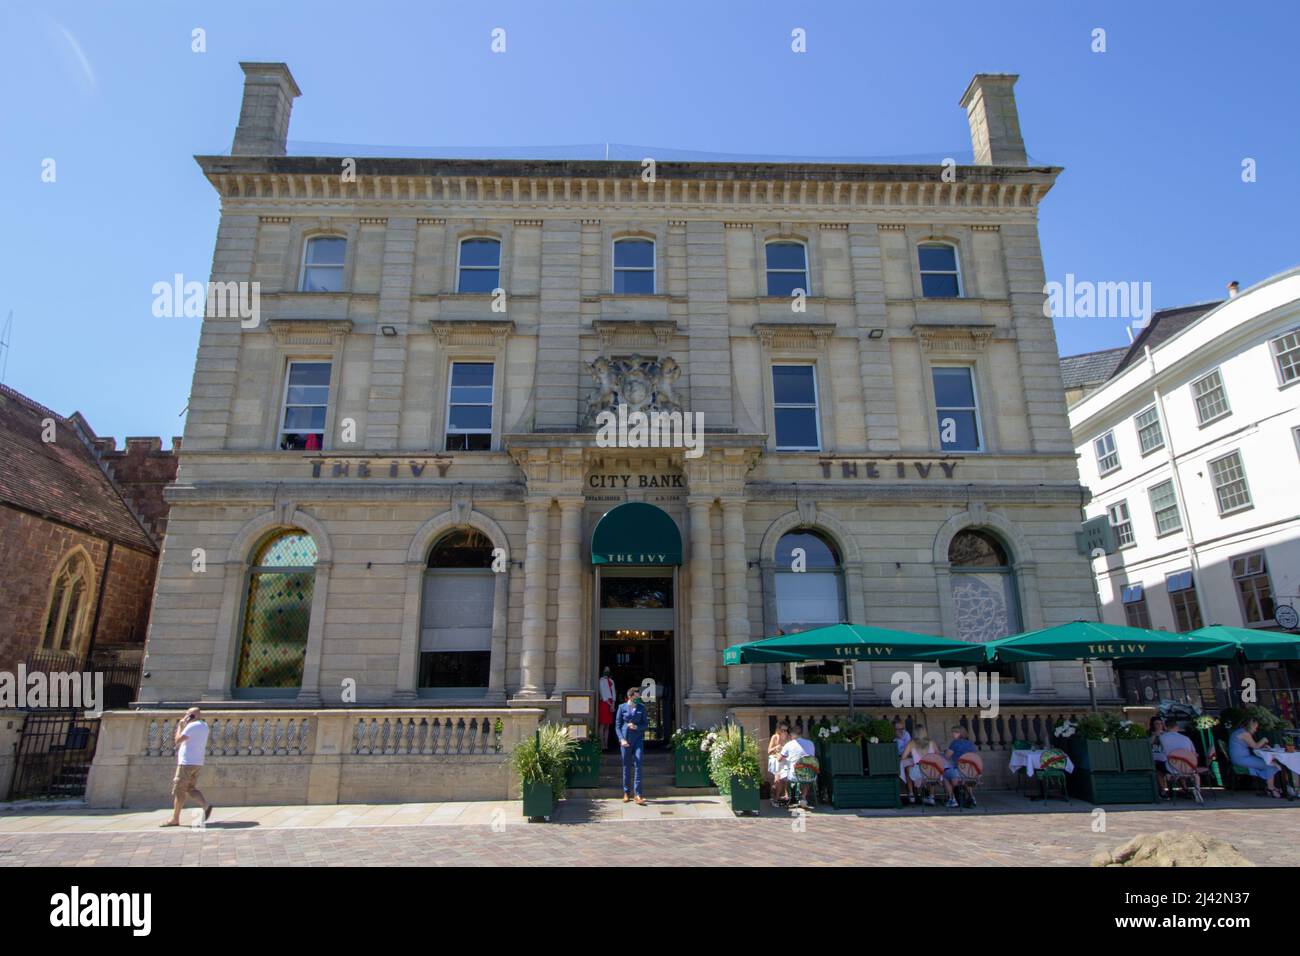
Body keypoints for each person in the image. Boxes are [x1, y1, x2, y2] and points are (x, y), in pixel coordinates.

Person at [161, 707, 212, 827]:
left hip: (186, 763)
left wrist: (180, 726)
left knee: (179, 791)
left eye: (187, 714)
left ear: (191, 716)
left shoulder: (191, 727)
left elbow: (177, 740)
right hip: (197, 762)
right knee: (191, 788)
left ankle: (175, 818)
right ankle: (206, 806)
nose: (185, 716)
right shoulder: (204, 726)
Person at [1229, 717, 1283, 798]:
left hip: (1239, 758)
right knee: (1271, 764)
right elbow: (1255, 746)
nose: (1256, 730)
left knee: (1270, 763)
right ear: (1251, 725)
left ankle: (1270, 787)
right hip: (1242, 759)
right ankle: (1271, 789)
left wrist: (1263, 745)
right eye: (1255, 727)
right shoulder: (1245, 734)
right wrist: (1264, 739)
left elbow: (1254, 746)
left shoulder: (1239, 732)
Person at [615, 687, 648, 805]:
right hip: (625, 740)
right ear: (630, 696)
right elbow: (617, 726)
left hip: (638, 739)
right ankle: (626, 792)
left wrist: (637, 727)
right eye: (637, 696)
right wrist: (621, 739)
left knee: (638, 764)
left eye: (639, 696)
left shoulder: (642, 708)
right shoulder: (621, 707)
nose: (638, 698)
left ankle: (638, 794)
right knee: (626, 766)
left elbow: (645, 724)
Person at [779, 723, 816, 809]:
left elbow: (780, 759)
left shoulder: (789, 745)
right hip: (810, 774)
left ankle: (788, 796)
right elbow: (811, 758)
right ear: (801, 734)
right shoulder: (810, 743)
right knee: (806, 773)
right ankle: (803, 797)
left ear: (791, 734)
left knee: (783, 773)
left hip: (794, 775)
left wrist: (778, 751)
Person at [942, 727, 978, 808]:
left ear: (960, 733)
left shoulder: (955, 743)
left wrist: (946, 752)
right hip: (971, 772)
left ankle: (952, 799)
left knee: (944, 775)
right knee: (965, 777)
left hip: (959, 771)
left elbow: (947, 756)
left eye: (955, 732)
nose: (953, 734)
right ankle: (972, 797)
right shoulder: (970, 743)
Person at [901, 726, 937, 805]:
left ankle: (911, 794)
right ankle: (931, 796)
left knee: (907, 769)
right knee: (933, 770)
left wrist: (912, 755)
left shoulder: (911, 743)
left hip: (917, 770)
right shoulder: (932, 742)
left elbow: (903, 757)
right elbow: (937, 756)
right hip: (929, 771)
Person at [767, 721, 792, 807]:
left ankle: (782, 797)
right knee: (778, 780)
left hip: (785, 760)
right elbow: (769, 751)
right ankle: (774, 798)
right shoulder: (775, 737)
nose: (784, 732)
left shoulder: (789, 737)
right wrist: (775, 747)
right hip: (776, 760)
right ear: (778, 729)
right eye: (782, 730)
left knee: (785, 779)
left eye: (786, 730)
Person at [1149, 716, 1170, 796]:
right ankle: (1163, 789)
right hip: (1154, 757)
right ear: (1153, 725)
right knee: (1158, 769)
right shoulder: (1149, 733)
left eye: (1161, 723)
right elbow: (1148, 744)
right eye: (1157, 724)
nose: (1159, 725)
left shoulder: (1166, 734)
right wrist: (1155, 735)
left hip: (1166, 758)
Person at [598, 667, 616, 750]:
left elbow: (614, 693)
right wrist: (610, 705)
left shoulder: (611, 681)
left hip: (611, 703)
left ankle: (606, 745)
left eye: (608, 670)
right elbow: (602, 694)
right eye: (605, 670)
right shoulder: (601, 681)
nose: (607, 671)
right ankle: (601, 744)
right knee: (602, 724)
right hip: (604, 703)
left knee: (607, 725)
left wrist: (613, 704)